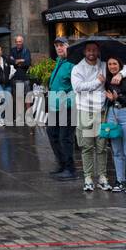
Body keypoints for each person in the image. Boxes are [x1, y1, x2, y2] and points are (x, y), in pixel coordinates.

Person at [71, 41, 112, 192]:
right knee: (87, 147)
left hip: (101, 112)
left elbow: (125, 68)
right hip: (85, 112)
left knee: (102, 147)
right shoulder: (77, 68)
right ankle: (88, 177)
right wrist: (96, 82)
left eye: (94, 50)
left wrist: (120, 73)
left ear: (98, 51)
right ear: (84, 52)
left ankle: (102, 176)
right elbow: (78, 87)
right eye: (89, 50)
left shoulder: (104, 65)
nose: (92, 52)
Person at [102, 55, 126, 194]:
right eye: (110, 64)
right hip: (113, 114)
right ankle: (120, 180)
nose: (112, 66)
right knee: (116, 151)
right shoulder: (108, 81)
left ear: (120, 65)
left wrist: (119, 97)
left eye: (114, 64)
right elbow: (109, 98)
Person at [45, 38, 77, 180]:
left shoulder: (72, 64)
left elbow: (76, 85)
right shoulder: (59, 61)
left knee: (65, 137)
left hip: (67, 106)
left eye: (62, 46)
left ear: (67, 47)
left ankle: (70, 168)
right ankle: (62, 164)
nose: (59, 48)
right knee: (52, 134)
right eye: (57, 45)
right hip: (54, 106)